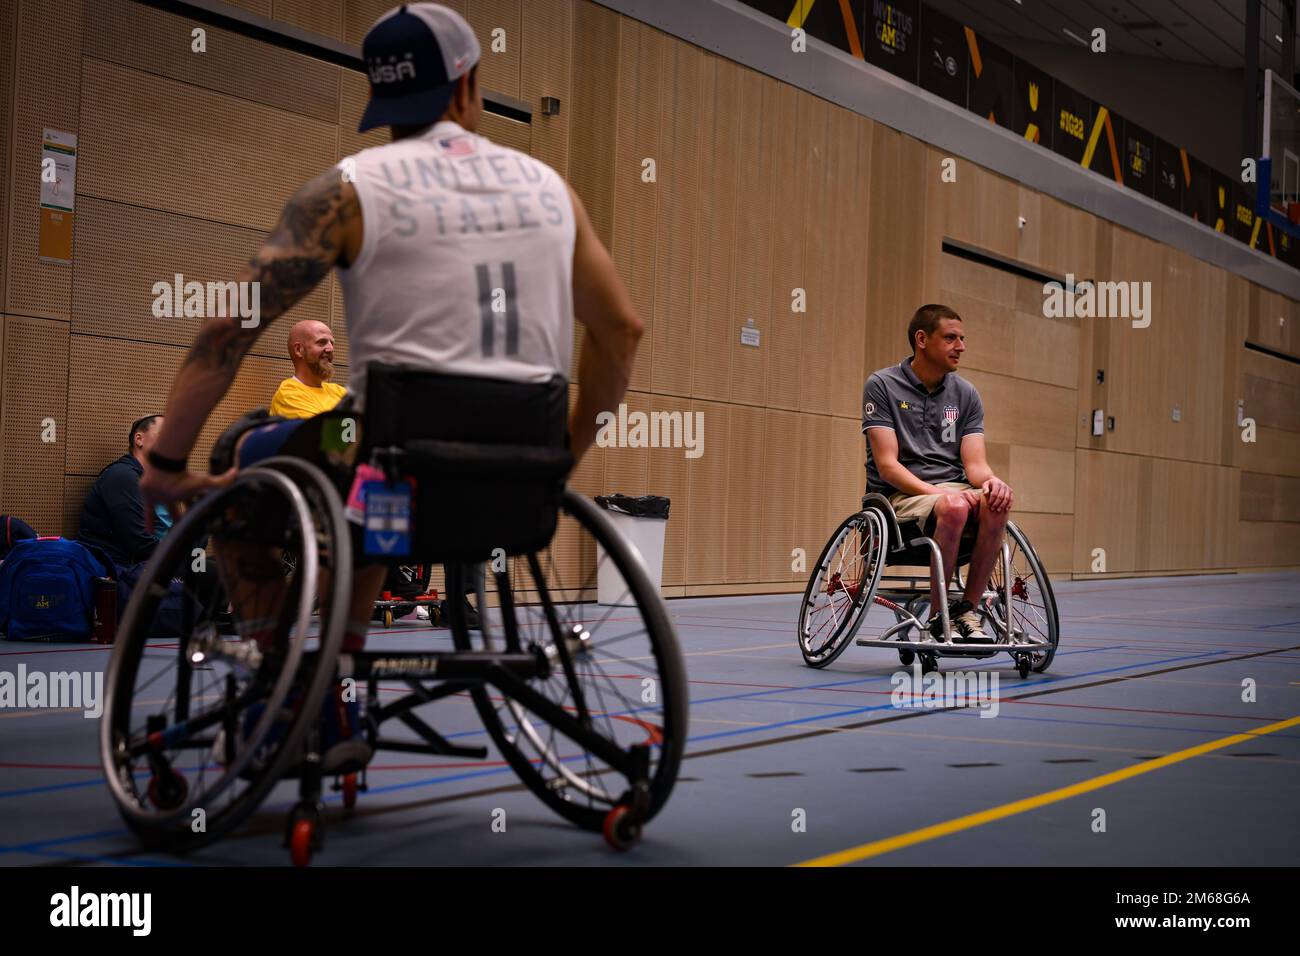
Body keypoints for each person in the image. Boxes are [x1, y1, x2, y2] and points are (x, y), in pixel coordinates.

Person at [137, 3, 642, 766]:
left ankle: (290, 691)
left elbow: (226, 332)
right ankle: (337, 669)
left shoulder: (344, 191)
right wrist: (560, 460)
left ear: (381, 94)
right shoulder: (553, 191)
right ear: (467, 84)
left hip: (385, 455)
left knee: (254, 464)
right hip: (517, 458)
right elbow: (622, 331)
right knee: (364, 471)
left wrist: (169, 462)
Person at [861, 304, 1014, 642]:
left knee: (997, 502)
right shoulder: (882, 385)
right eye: (950, 338)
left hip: (954, 490)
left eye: (962, 338)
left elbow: (975, 466)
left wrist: (992, 482)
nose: (961, 346)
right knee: (957, 506)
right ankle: (937, 617)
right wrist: (941, 495)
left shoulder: (966, 394)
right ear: (921, 339)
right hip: (901, 497)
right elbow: (887, 466)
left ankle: (966, 611)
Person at [269, 319, 347, 418]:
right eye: (321, 342)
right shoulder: (289, 396)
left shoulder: (339, 391)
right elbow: (322, 432)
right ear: (298, 350)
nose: (330, 349)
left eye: (332, 343)